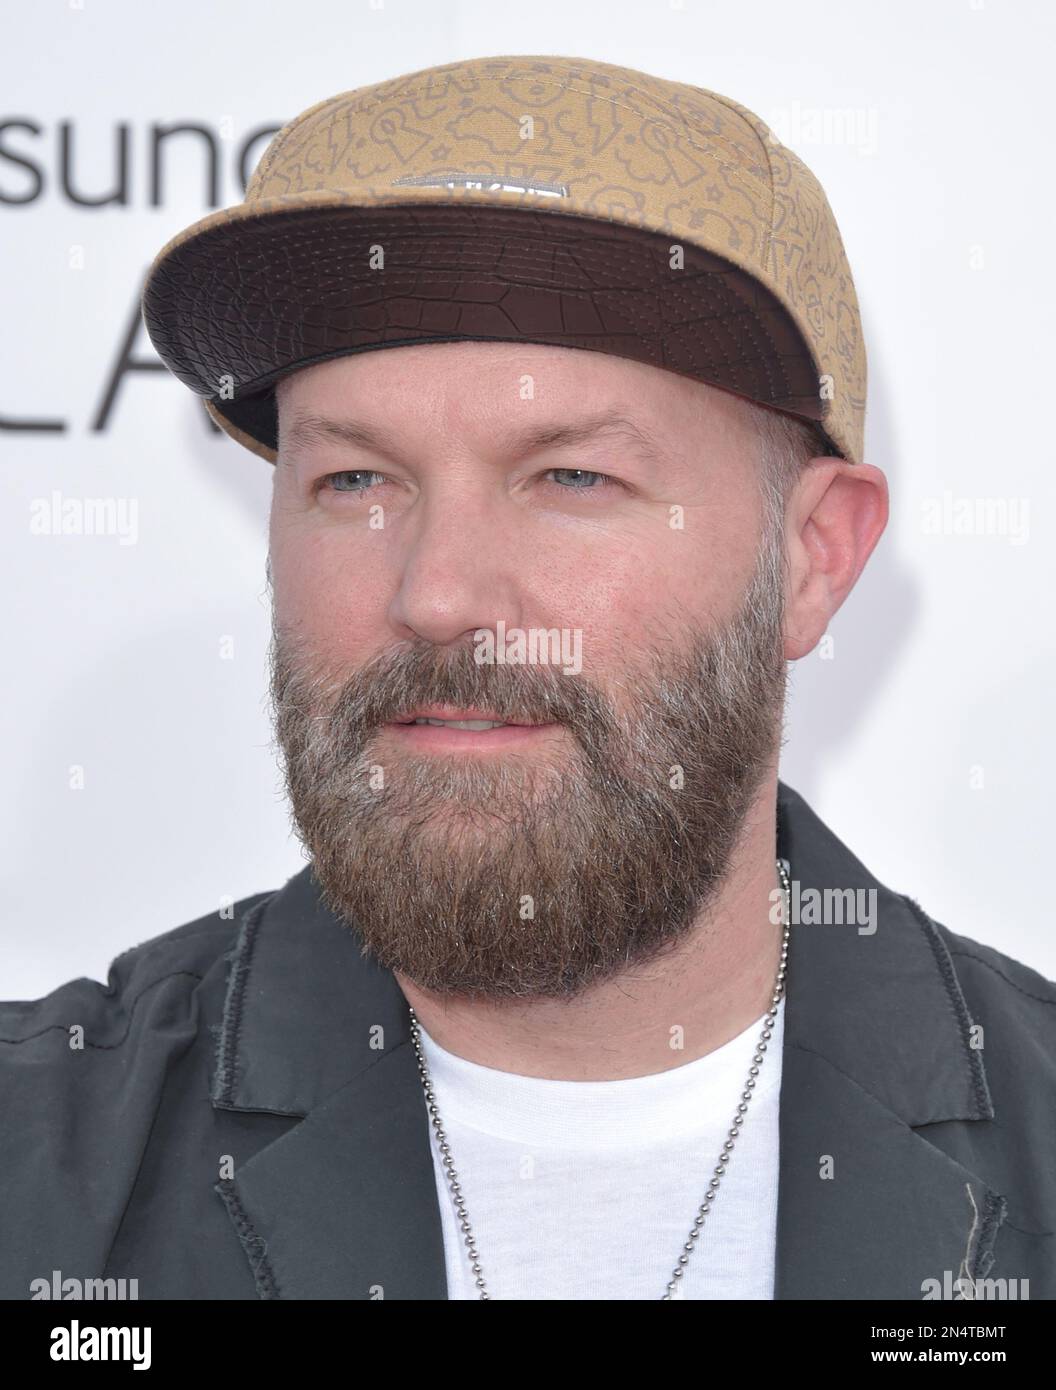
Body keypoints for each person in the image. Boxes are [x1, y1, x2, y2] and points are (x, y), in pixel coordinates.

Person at [3, 54, 1053, 1302]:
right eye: (355, 480)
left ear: (813, 559)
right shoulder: (39, 1179)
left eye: (571, 478)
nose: (438, 594)